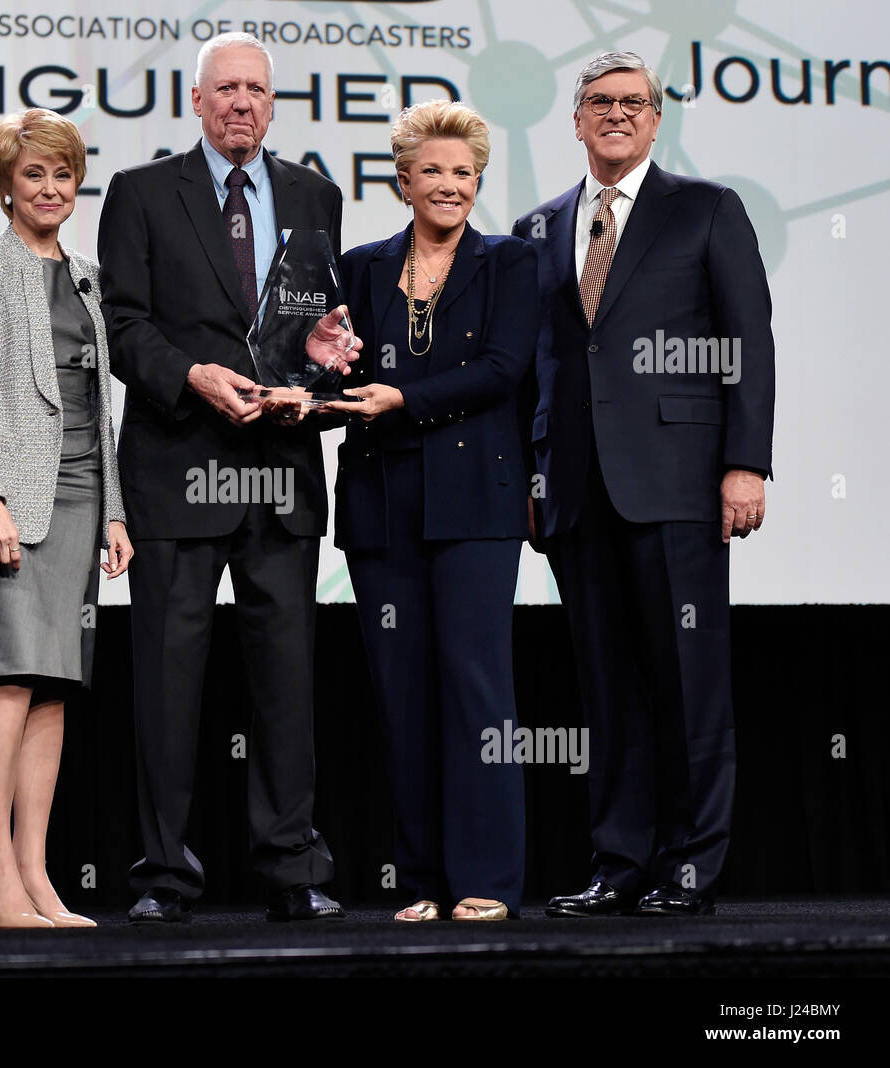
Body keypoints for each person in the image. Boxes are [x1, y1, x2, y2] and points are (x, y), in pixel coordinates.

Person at [512, 52, 775, 917]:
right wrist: (533, 474)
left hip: (679, 485)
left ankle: (690, 867)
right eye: (600, 102)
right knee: (606, 694)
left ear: (657, 120)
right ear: (577, 119)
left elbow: (747, 341)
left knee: (689, 686)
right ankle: (618, 865)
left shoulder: (706, 209)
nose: (617, 113)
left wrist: (746, 463)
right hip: (577, 493)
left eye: (634, 102)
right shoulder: (538, 227)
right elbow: (535, 367)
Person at [97, 32, 350, 923]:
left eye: (256, 90)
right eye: (225, 90)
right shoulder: (137, 195)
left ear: (272, 104)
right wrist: (194, 380)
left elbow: (315, 329)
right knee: (169, 687)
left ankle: (293, 872)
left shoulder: (317, 195)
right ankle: (164, 876)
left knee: (287, 684)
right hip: (178, 469)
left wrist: (324, 364)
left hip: (281, 472)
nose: (241, 103)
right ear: (196, 102)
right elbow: (123, 329)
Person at [324, 101, 537, 922]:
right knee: (401, 693)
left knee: (477, 690)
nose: (450, 185)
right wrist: (309, 381)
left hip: (476, 501)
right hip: (381, 504)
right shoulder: (361, 265)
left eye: (464, 173)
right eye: (434, 172)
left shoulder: (511, 263)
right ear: (403, 180)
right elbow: (337, 370)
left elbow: (504, 367)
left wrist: (403, 398)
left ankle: (487, 878)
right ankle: (421, 880)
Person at [0, 109, 131, 930]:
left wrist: (116, 514)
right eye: (33, 176)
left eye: (62, 175)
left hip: (84, 494)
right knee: (10, 676)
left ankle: (32, 872)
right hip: (10, 501)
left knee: (54, 688)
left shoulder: (89, 273)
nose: (50, 189)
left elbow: (98, 403)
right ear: (7, 188)